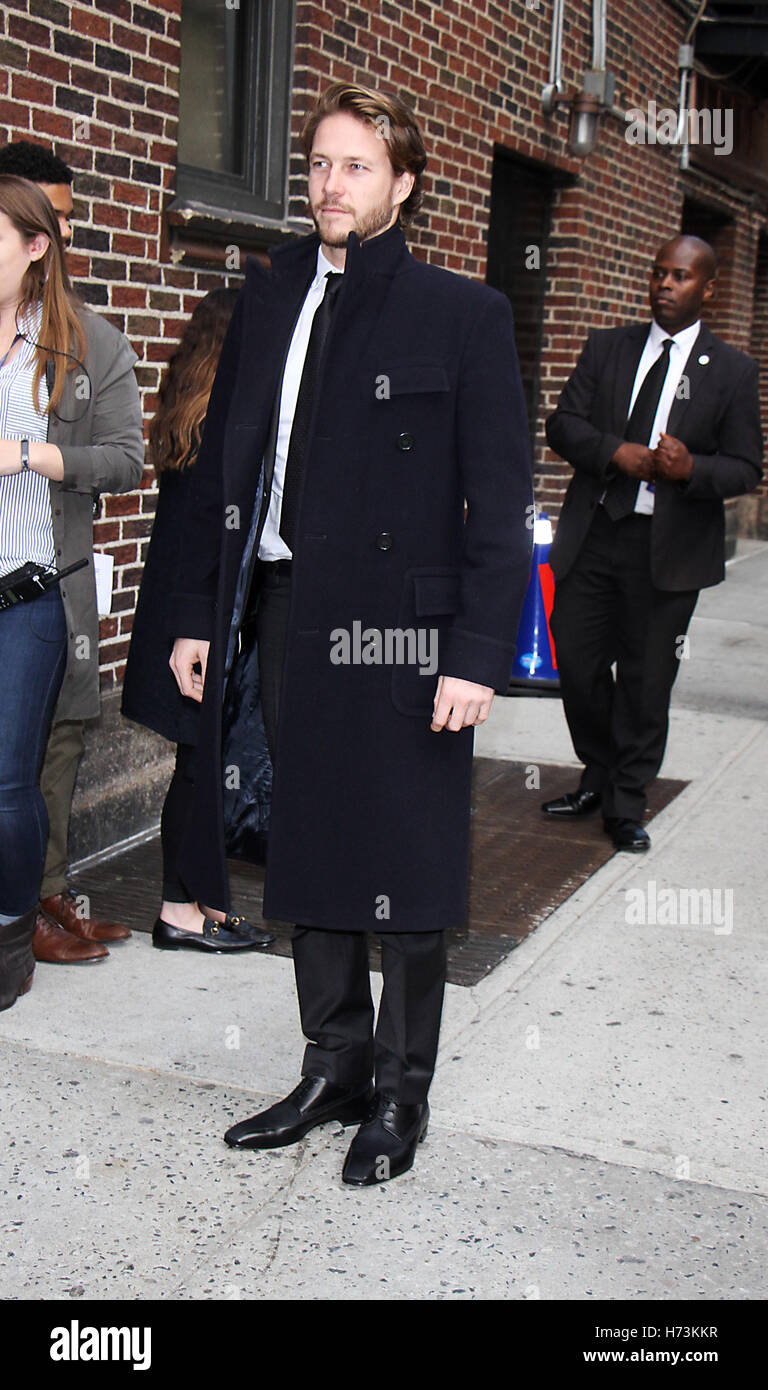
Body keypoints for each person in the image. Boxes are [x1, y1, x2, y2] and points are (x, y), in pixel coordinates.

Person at [168, 82, 532, 1185]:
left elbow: (499, 501)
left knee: (407, 861)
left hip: (408, 637)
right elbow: (225, 468)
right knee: (312, 844)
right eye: (320, 164)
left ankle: (399, 1092)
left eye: (358, 166)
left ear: (405, 183)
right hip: (287, 609)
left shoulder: (462, 314)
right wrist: (196, 611)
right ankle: (331, 1062)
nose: (331, 184)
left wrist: (476, 653)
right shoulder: (271, 293)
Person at [542, 234, 763, 852]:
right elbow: (563, 424)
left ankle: (625, 801)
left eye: (682, 277)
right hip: (596, 535)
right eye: (659, 274)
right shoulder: (608, 348)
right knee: (579, 666)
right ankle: (599, 769)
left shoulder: (733, 372)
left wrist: (691, 468)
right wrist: (616, 451)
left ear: (708, 290)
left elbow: (747, 467)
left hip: (668, 554)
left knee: (645, 681)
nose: (666, 285)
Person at [0, 175, 144, 1010]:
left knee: (14, 777)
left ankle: (14, 937)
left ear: (35, 246)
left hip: (30, 590)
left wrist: (28, 455)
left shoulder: (87, 343)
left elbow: (127, 460)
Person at [121, 289, 274, 953]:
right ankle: (178, 911)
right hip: (197, 619)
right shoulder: (224, 424)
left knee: (202, 764)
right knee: (196, 766)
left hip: (187, 610)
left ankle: (202, 901)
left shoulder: (196, 411)